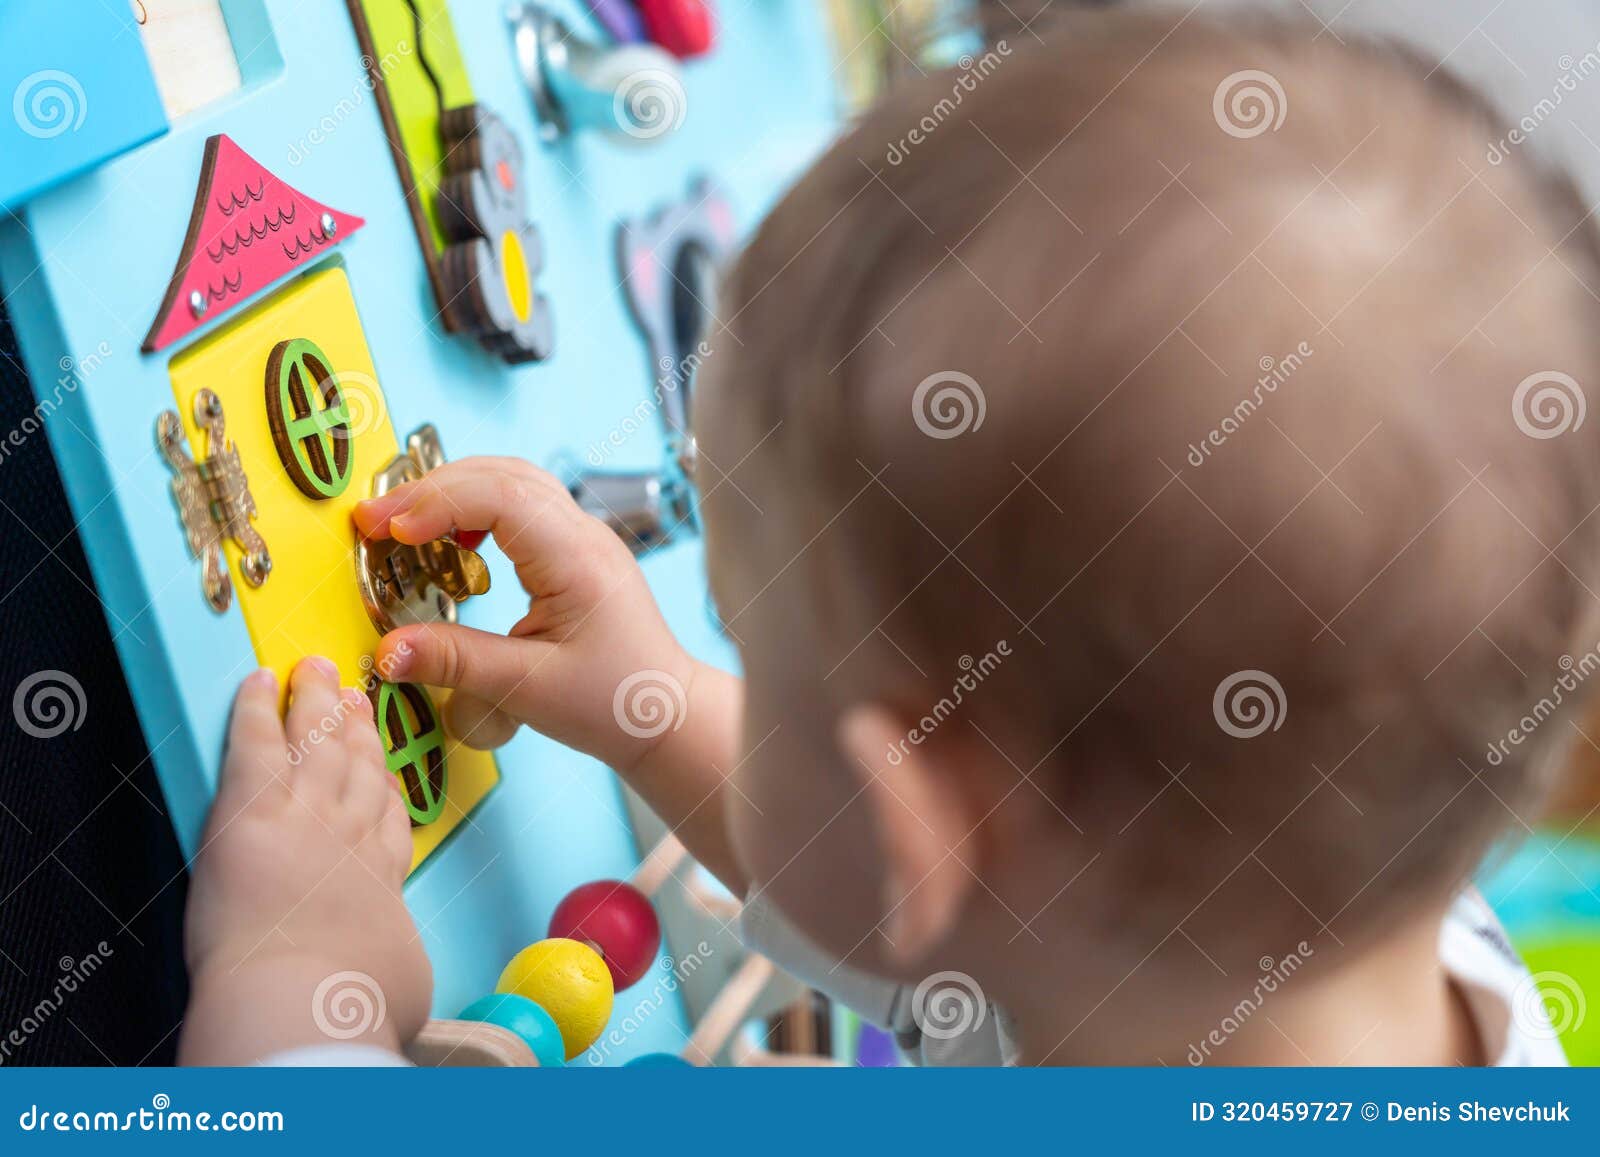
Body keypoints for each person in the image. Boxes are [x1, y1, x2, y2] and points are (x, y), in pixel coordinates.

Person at [182, 11, 1596, 1065]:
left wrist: (297, 986)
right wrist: (657, 705)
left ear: (911, 818)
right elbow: (972, 915)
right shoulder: (1366, 975)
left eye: (749, 630)